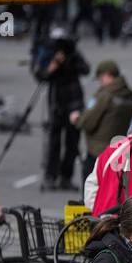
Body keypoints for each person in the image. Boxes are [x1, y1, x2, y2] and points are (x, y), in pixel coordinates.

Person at [33, 30, 89, 191]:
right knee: (54, 143)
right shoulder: (50, 56)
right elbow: (41, 76)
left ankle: (66, 177)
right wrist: (54, 65)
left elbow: (85, 69)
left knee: (72, 143)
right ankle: (51, 176)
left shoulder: (74, 54)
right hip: (56, 105)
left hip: (75, 104)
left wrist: (70, 61)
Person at [72, 60, 132, 179]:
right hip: (118, 150)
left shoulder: (105, 95)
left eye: (100, 79)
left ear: (107, 75)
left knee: (91, 190)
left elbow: (88, 122)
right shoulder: (128, 94)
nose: (100, 83)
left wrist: (78, 119)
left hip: (98, 151)